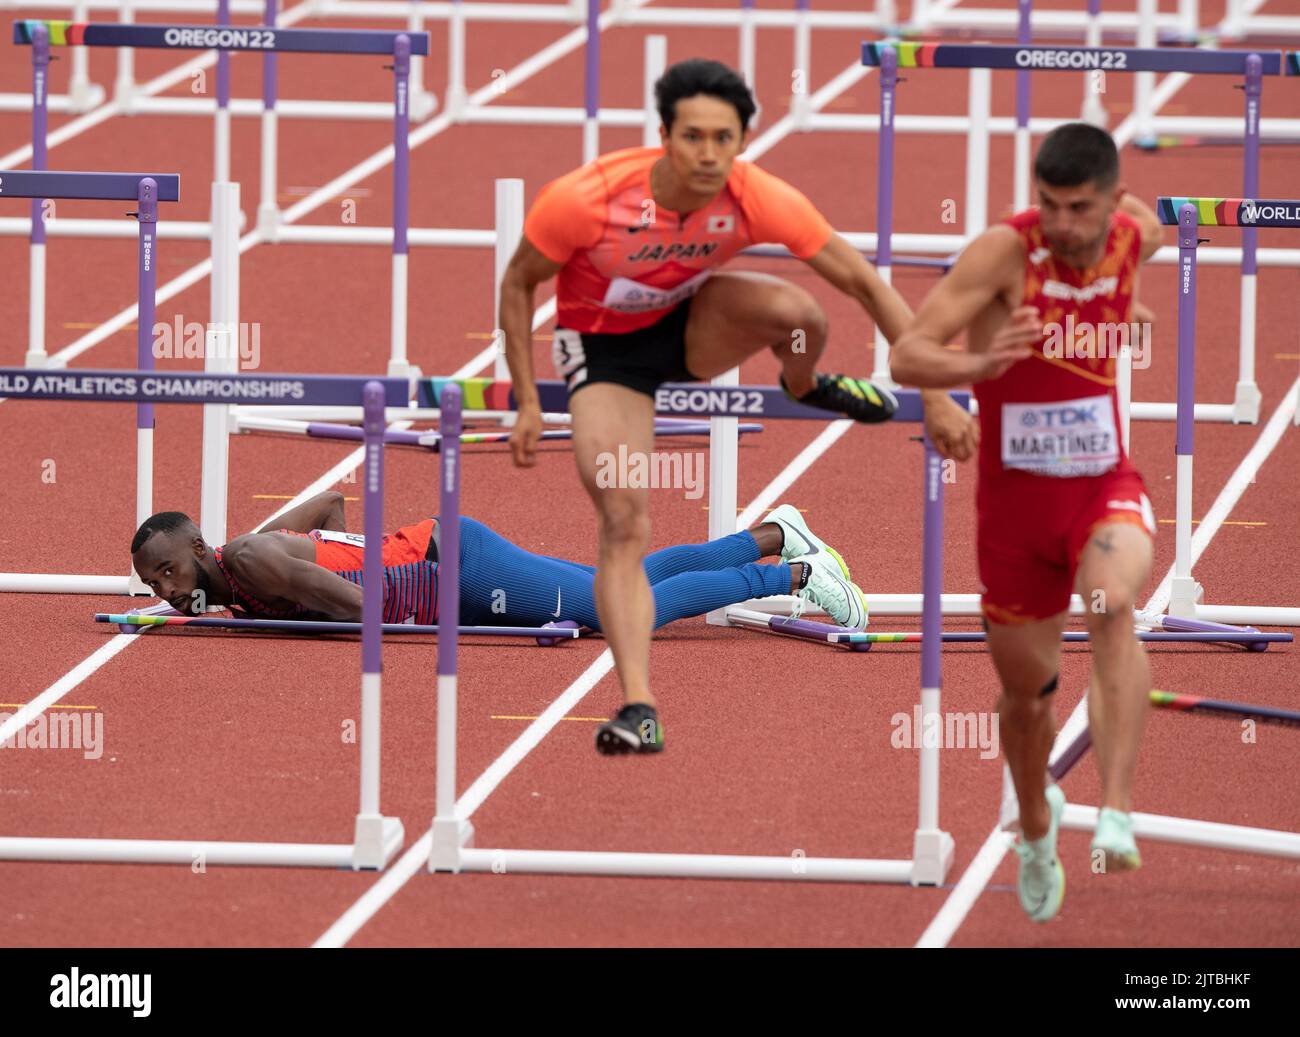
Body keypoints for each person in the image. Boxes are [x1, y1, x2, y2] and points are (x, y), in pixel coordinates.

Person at [500, 57, 977, 754]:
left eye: (723, 138)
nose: (707, 153)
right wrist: (523, 398)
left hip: (691, 326)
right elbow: (518, 284)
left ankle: (804, 382)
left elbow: (865, 284)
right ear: (664, 135)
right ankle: (638, 703)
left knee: (798, 311)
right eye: (692, 136)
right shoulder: (586, 198)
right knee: (625, 516)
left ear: (743, 140)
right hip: (607, 356)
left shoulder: (757, 194)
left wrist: (934, 396)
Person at [889, 123, 1164, 922]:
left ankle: (1115, 811)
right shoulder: (1003, 254)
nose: (1064, 224)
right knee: (1026, 703)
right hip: (1013, 510)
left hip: (1100, 485)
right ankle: (1037, 826)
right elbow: (908, 354)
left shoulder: (1131, 232)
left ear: (1110, 201)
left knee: (1112, 605)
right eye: (1049, 205)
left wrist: (1132, 300)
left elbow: (1149, 228)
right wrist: (979, 367)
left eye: (1080, 208)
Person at [129, 494, 865, 748]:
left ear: (200, 546)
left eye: (170, 570)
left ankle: (797, 575)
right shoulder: (233, 576)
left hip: (460, 572)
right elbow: (327, 506)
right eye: (153, 583)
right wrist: (363, 549)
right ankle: (777, 533)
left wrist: (347, 592)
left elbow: (364, 610)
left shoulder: (251, 560)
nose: (167, 589)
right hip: (445, 568)